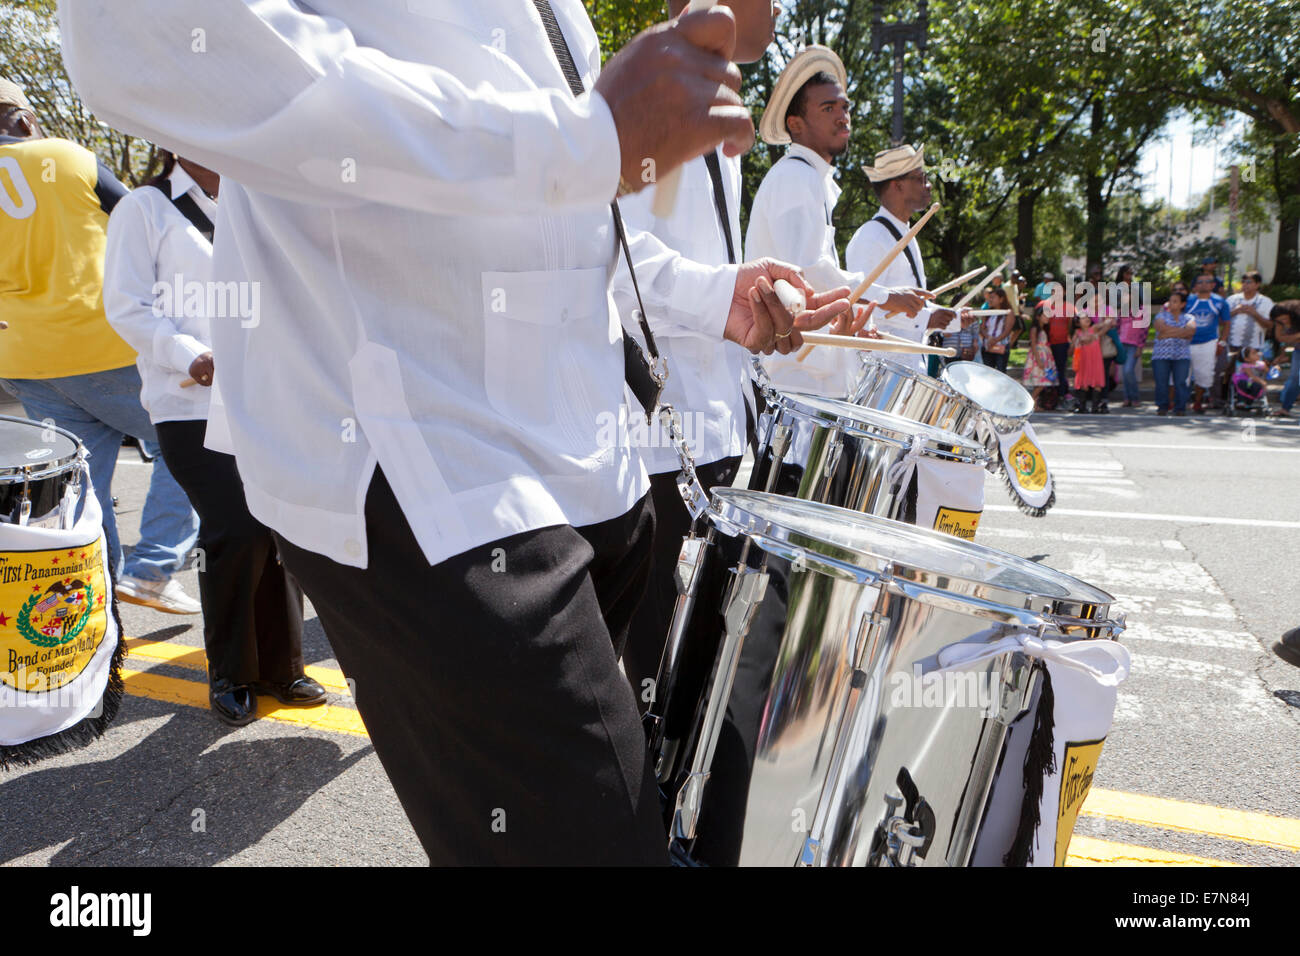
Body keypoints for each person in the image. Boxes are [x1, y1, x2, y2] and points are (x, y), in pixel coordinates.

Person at [61, 0, 845, 865]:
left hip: (586, 471)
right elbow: (135, 31)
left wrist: (705, 294)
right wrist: (581, 140)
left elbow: (557, 211)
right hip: (423, 467)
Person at [612, 0, 818, 714]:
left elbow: (693, 261)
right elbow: (611, 259)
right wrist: (717, 299)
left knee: (704, 688)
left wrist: (759, 298)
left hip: (716, 433)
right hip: (656, 448)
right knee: (660, 696)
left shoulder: (715, 106)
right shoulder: (650, 95)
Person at [102, 150, 324, 726]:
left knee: (278, 525)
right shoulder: (144, 208)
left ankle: (282, 667)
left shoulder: (257, 200)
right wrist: (190, 356)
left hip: (264, 394)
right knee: (235, 527)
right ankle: (230, 671)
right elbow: (127, 306)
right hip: (189, 402)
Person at [0, 77, 200, 614]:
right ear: (20, 120)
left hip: (22, 358)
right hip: (104, 345)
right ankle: (154, 567)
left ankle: (103, 594)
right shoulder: (67, 158)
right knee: (189, 442)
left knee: (83, 479)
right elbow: (154, 219)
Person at [744, 49, 926, 397]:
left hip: (808, 374)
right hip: (793, 380)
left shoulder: (809, 178)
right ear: (795, 124)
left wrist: (860, 323)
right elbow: (809, 270)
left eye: (845, 107)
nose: (843, 117)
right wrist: (886, 297)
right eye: (828, 109)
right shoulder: (796, 178)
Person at [843, 142, 973, 377]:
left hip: (907, 371)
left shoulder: (907, 236)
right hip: (879, 375)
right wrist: (927, 316)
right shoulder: (871, 237)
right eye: (921, 178)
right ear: (898, 185)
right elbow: (862, 305)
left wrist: (951, 318)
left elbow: (909, 303)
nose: (929, 184)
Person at [1184, 273, 1231, 413]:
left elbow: (1227, 323)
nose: (1204, 284)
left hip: (1208, 343)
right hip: (1187, 342)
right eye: (1200, 282)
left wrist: (1222, 342)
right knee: (1183, 374)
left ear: (1213, 285)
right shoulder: (1187, 301)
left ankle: (1197, 402)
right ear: (1195, 286)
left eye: (1207, 281)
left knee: (1203, 374)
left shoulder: (1221, 302)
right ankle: (1181, 401)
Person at [1225, 271, 1274, 402]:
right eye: (1244, 281)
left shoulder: (1265, 302)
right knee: (1231, 373)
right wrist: (1236, 311)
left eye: (1249, 282)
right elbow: (1221, 320)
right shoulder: (1232, 300)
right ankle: (1230, 400)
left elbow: (1270, 325)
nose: (1245, 285)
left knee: (1252, 374)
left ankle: (1251, 399)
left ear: (1257, 284)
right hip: (1232, 344)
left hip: (1253, 347)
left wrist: (1255, 314)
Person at [1150, 290, 1195, 416]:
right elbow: (1160, 329)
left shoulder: (1189, 318)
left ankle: (1180, 408)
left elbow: (1191, 332)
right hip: (1161, 355)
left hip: (1182, 355)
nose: (1171, 303)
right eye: (1170, 301)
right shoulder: (1160, 316)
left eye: (1175, 301)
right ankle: (1162, 406)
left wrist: (1167, 333)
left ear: (1182, 304)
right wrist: (1182, 332)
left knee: (1181, 382)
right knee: (1161, 382)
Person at [1116, 265, 1149, 407]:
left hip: (1134, 344)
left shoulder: (1141, 310)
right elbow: (1118, 327)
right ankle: (1127, 398)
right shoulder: (1122, 311)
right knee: (1124, 373)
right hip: (1122, 343)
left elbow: (1145, 330)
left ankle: (1134, 396)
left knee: (1129, 370)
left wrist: (1141, 347)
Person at [1070, 312, 1109, 413]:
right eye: (1083, 318)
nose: (1086, 319)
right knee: (1084, 382)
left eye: (1087, 317)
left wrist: (1096, 336)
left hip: (1095, 359)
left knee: (1097, 381)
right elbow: (1071, 349)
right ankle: (1082, 405)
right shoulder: (1077, 333)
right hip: (1084, 360)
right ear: (1078, 322)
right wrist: (1076, 342)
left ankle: (1095, 406)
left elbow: (1107, 324)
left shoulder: (1094, 329)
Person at [1020, 309, 1058, 410]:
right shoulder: (1035, 329)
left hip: (1044, 357)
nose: (1047, 318)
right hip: (1038, 357)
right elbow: (1033, 344)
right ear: (1038, 317)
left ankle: (1034, 404)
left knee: (1042, 383)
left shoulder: (1043, 329)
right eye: (1045, 316)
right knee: (1041, 383)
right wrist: (1038, 359)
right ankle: (1030, 403)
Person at [1270, 302, 1300, 417]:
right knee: (1294, 378)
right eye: (1280, 320)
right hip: (1298, 350)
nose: (1283, 322)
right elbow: (1280, 338)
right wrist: (1297, 336)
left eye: (1284, 319)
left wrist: (1292, 338)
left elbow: (1286, 338)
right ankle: (1285, 408)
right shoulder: (1279, 322)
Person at [979, 287, 1015, 372]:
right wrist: (989, 338)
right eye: (989, 297)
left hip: (1001, 348)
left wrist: (995, 340)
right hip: (988, 347)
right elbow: (982, 328)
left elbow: (1007, 331)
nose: (990, 300)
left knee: (1000, 373)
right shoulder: (986, 312)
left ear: (1001, 299)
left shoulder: (1008, 313)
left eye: (993, 297)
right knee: (987, 373)